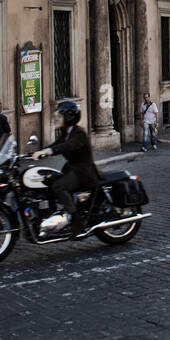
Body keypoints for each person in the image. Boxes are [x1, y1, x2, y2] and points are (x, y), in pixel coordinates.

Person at [31, 101, 99, 239]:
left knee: (59, 186)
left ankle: (76, 219)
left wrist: (49, 151)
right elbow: (57, 144)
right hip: (72, 168)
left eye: (60, 116)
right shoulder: (65, 133)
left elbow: (68, 146)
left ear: (69, 118)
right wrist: (39, 152)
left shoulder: (79, 133)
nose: (56, 118)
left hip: (83, 171)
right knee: (49, 181)